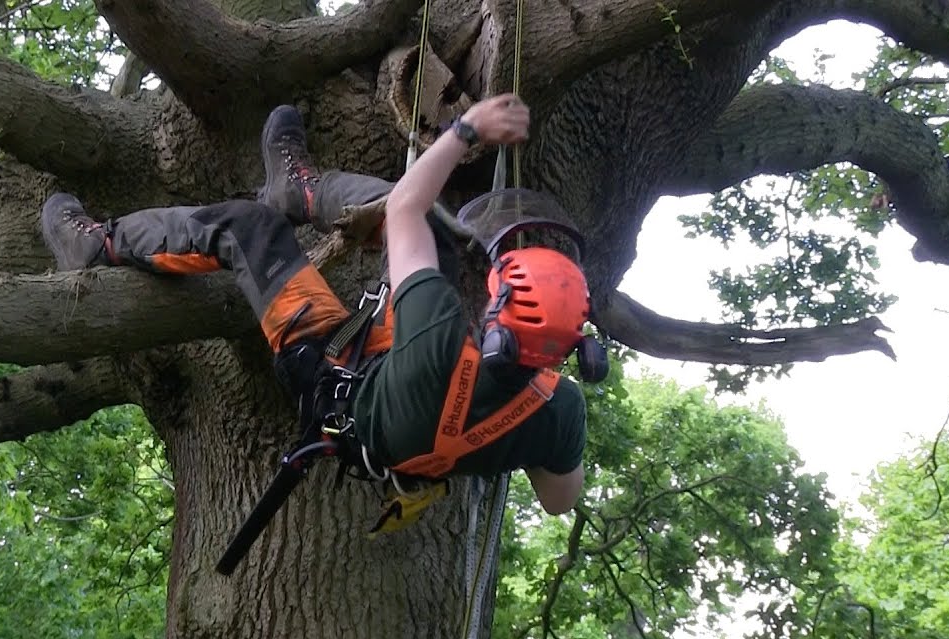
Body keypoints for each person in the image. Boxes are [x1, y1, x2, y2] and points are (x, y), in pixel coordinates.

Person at [41, 94, 588, 517]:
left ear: (496, 321)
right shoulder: (559, 411)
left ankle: (99, 244)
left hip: (330, 368)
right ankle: (297, 190)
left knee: (250, 227)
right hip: (399, 375)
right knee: (431, 231)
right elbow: (558, 500)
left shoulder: (438, 333)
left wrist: (466, 128)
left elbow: (404, 206)